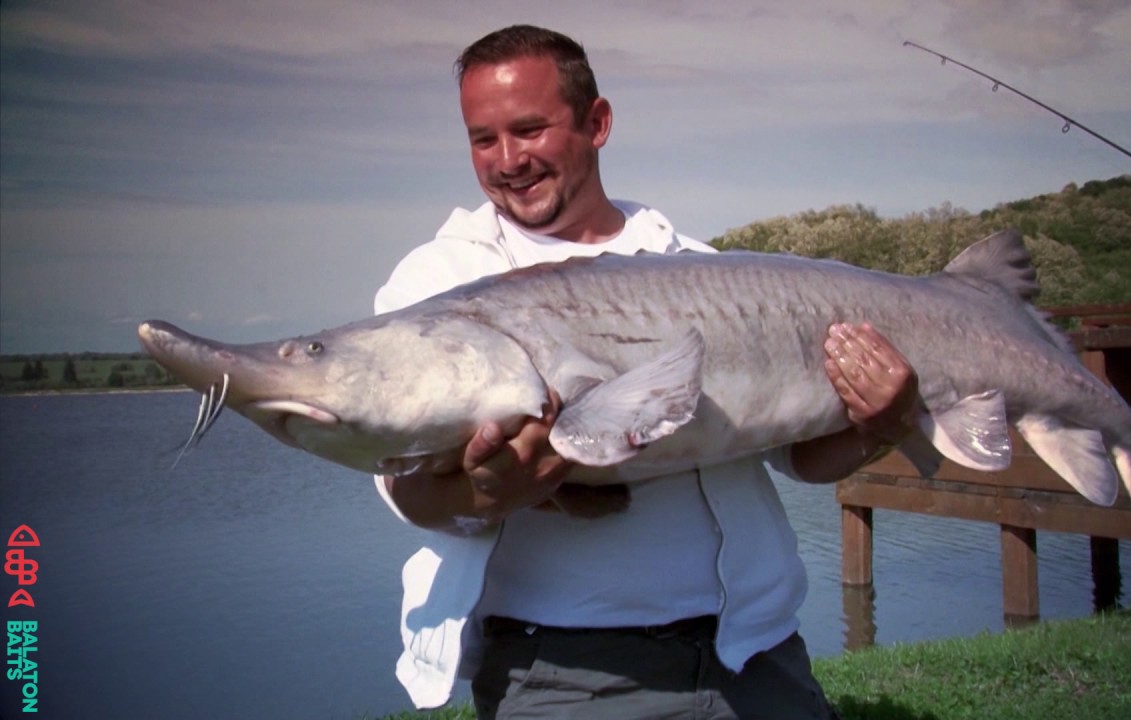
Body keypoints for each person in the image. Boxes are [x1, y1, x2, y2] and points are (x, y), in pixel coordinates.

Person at [373, 24, 919, 720]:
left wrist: (886, 423)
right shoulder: (438, 281)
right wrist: (483, 496)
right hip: (566, 676)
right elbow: (400, 486)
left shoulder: (699, 263)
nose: (508, 160)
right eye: (484, 139)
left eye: (530, 129)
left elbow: (801, 458)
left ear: (596, 123)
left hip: (755, 656)